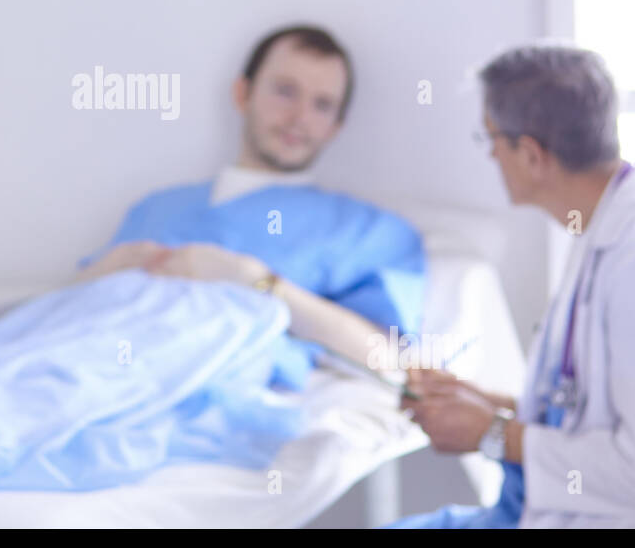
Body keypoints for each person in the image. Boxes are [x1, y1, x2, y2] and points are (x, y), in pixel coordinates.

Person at [391, 45, 635, 528]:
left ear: (532, 154)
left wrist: (492, 433)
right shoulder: (605, 223)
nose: (491, 152)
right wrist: (481, 403)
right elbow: (591, 410)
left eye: (491, 137)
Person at [77, 25, 425, 364]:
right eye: (285, 91)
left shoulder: (368, 231)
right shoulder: (156, 208)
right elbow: (60, 315)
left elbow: (392, 360)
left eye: (322, 105)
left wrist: (253, 280)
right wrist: (102, 273)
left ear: (336, 126)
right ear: (243, 94)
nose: (299, 117)